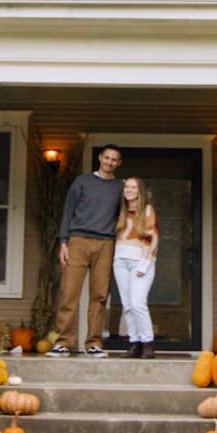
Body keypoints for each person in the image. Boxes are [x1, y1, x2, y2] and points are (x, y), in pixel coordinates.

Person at [43, 144, 125, 356]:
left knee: (99, 296)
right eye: (107, 158)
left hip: (105, 243)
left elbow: (127, 214)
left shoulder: (119, 188)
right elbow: (68, 211)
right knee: (69, 292)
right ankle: (63, 342)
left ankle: (94, 343)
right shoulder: (82, 181)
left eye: (114, 160)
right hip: (78, 240)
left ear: (119, 163)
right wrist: (64, 242)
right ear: (100, 158)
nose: (109, 162)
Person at [111, 177, 159, 358]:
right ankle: (134, 343)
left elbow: (152, 237)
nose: (129, 190)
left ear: (140, 190)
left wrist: (146, 262)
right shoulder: (121, 211)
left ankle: (147, 343)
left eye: (133, 187)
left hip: (140, 261)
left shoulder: (147, 210)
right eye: (127, 187)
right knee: (128, 305)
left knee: (138, 303)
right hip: (120, 261)